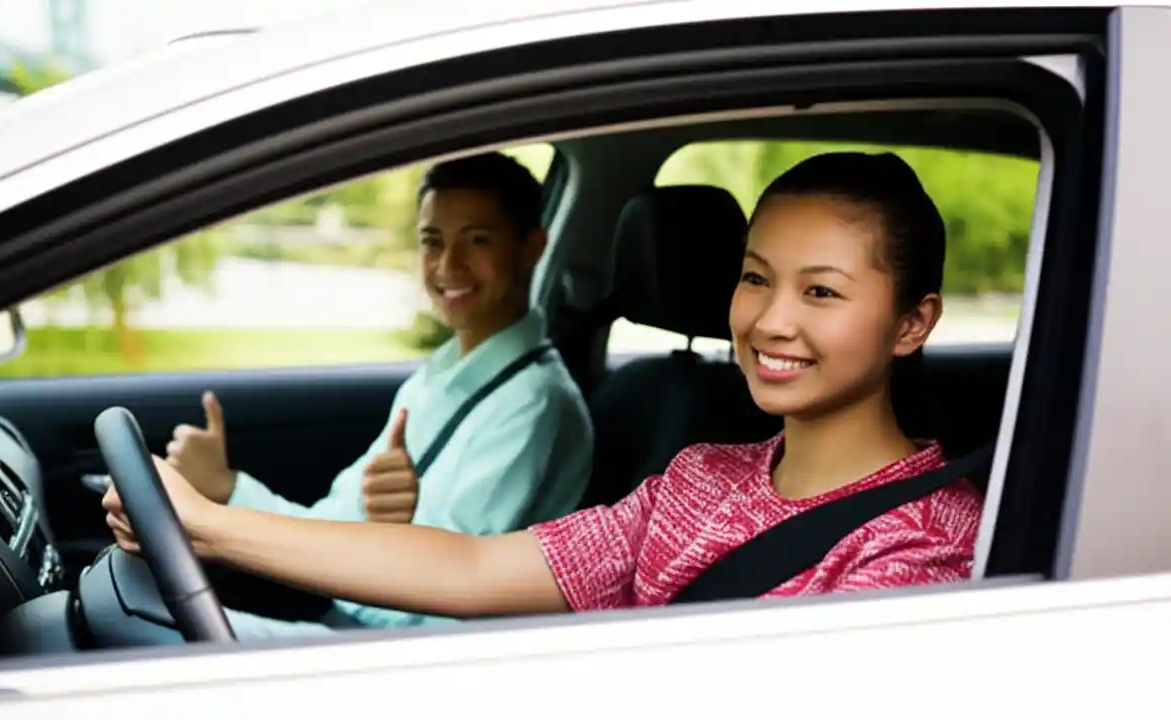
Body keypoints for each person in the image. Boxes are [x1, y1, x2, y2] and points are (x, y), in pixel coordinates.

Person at [105, 151, 985, 623]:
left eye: (821, 292)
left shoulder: (926, 545)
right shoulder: (700, 480)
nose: (771, 321)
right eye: (756, 279)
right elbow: (477, 565)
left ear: (913, 322)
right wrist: (211, 525)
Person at [144, 152, 594, 635]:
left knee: (145, 634)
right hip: (348, 613)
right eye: (432, 241)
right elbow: (331, 525)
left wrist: (391, 531)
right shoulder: (437, 378)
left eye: (477, 240)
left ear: (532, 248)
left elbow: (425, 603)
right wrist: (227, 487)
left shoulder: (535, 406)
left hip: (403, 653)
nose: (448, 265)